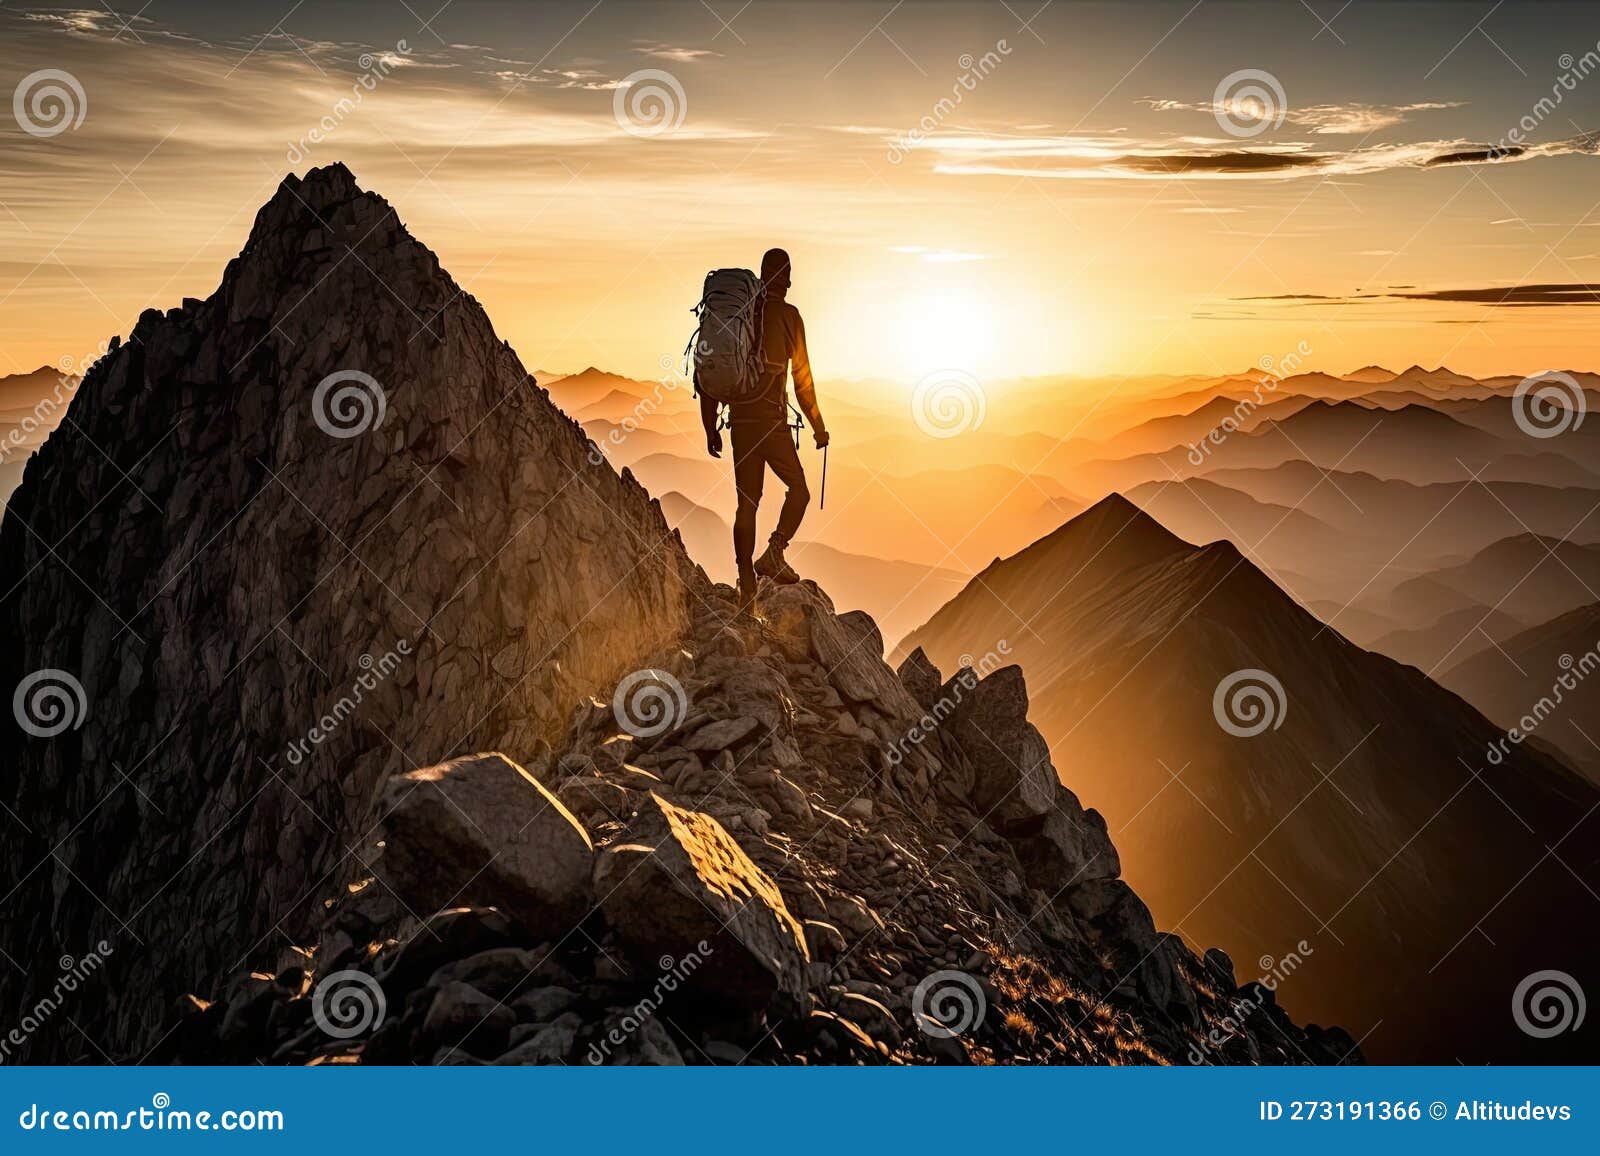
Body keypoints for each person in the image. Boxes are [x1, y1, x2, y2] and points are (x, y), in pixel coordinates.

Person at [701, 247, 828, 609]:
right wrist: (818, 427)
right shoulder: (789, 317)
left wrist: (710, 429)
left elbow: (712, 373)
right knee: (799, 490)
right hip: (771, 425)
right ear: (786, 280)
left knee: (747, 504)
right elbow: (803, 381)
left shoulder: (740, 317)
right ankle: (774, 552)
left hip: (740, 425)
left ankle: (745, 586)